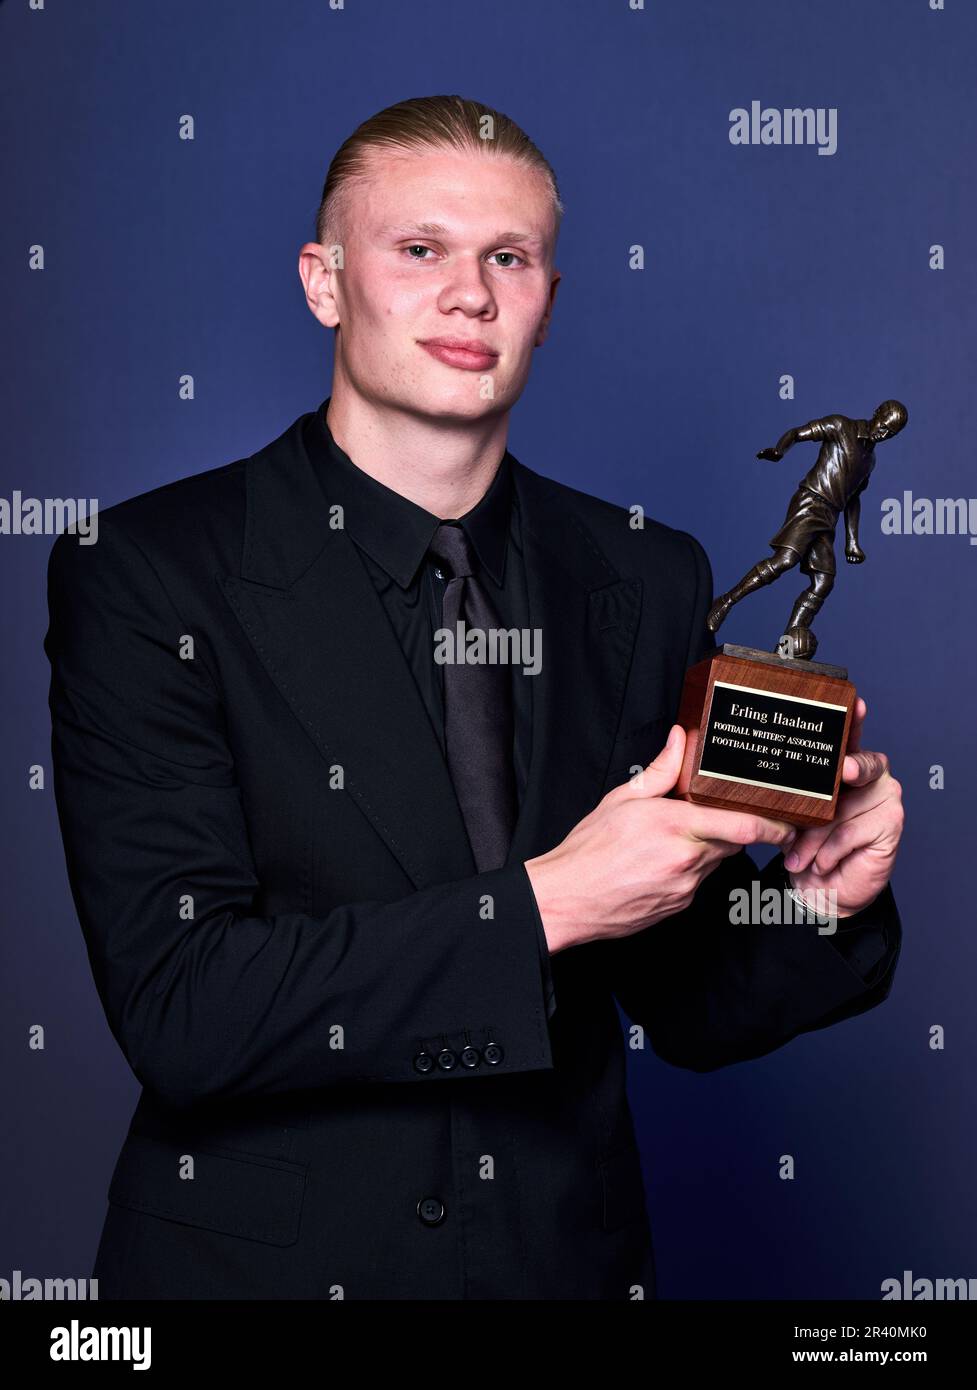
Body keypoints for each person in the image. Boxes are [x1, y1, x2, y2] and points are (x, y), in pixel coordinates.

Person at [44, 95, 905, 1301]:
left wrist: (819, 905)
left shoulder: (645, 573)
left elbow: (685, 998)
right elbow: (188, 1011)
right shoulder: (145, 569)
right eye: (419, 250)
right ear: (324, 282)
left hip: (562, 1270)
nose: (470, 293)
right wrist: (545, 903)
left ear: (548, 297)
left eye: (508, 256)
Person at [706, 403, 908, 658]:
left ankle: (786, 648)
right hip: (810, 502)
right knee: (784, 561)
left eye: (891, 433)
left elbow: (853, 499)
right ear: (877, 413)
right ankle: (726, 602)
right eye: (884, 425)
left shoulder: (870, 460)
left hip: (830, 515)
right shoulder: (841, 426)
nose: (883, 433)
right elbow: (799, 432)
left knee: (824, 582)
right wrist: (780, 450)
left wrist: (853, 542)